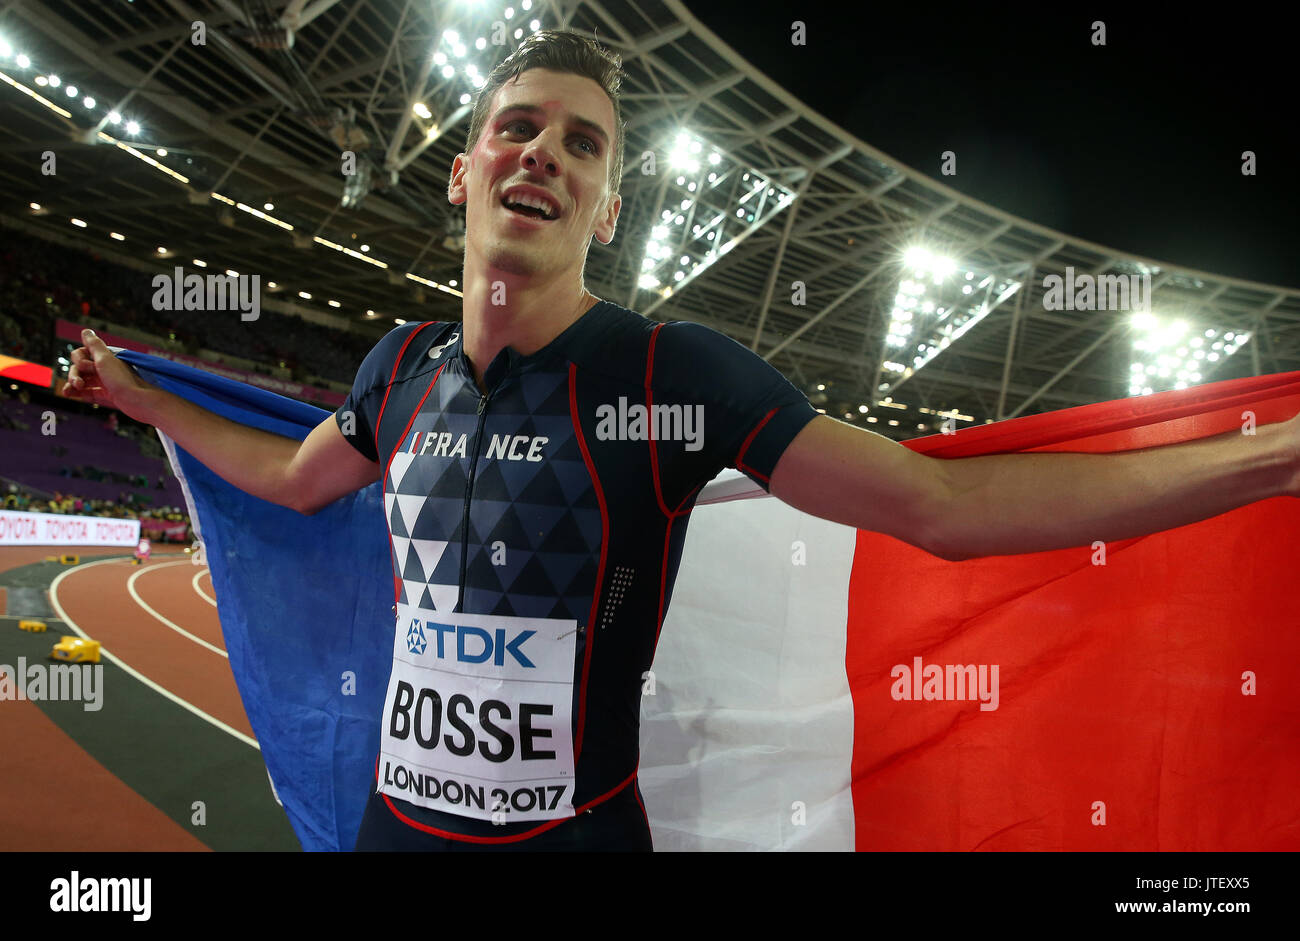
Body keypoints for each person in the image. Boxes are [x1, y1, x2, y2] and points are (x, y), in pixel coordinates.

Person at [62, 30, 1298, 852]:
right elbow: (286, 478)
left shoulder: (674, 374)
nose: (543, 151)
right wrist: (141, 397)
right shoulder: (397, 370)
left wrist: (1272, 455)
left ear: (607, 207)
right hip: (400, 830)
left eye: (582, 144)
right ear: (462, 173)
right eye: (519, 128)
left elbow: (940, 506)